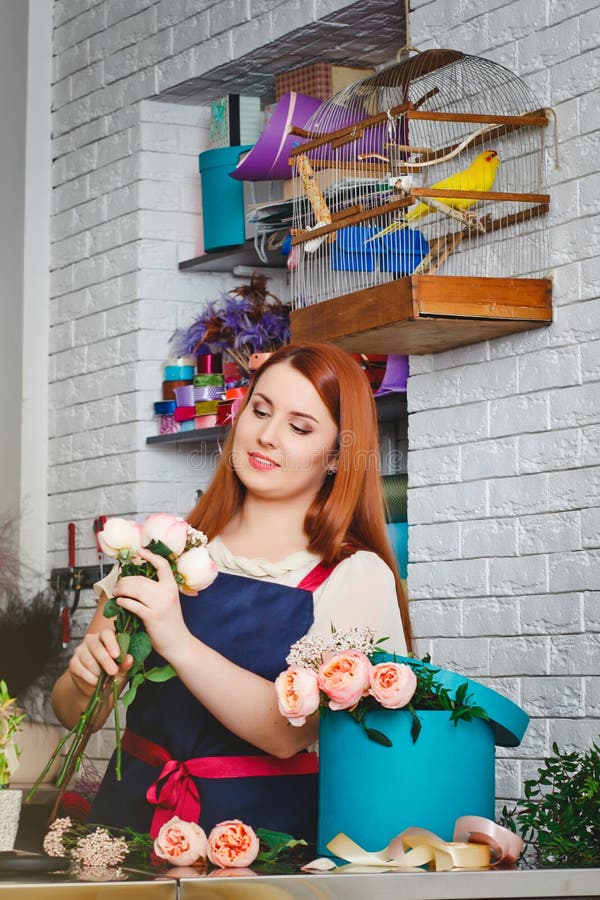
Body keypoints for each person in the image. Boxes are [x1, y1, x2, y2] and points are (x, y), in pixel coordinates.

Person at [51, 342, 411, 842]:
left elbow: (291, 735)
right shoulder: (162, 549)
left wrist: (176, 640)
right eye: (260, 412)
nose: (266, 436)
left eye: (299, 427)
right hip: (125, 827)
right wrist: (85, 684)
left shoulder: (354, 576)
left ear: (337, 456)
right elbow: (75, 716)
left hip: (260, 846)